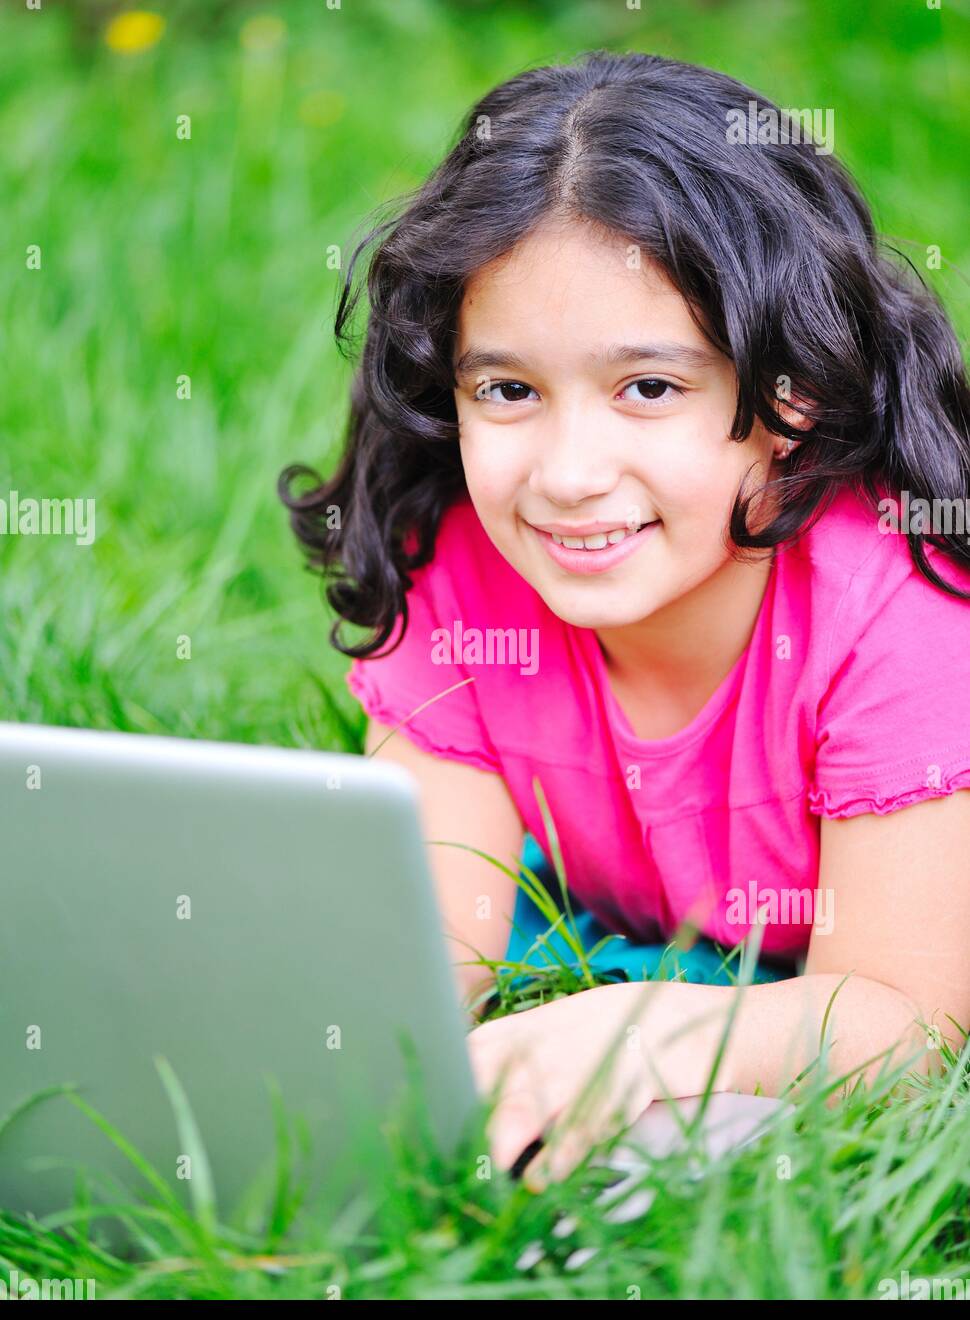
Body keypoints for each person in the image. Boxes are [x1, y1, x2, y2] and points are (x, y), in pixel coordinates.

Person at [279, 49, 970, 1190]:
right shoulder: (459, 566)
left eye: (648, 388)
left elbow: (909, 1019)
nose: (566, 473)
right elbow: (414, 970)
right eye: (507, 390)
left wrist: (647, 1032)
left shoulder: (897, 605)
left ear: (789, 395)